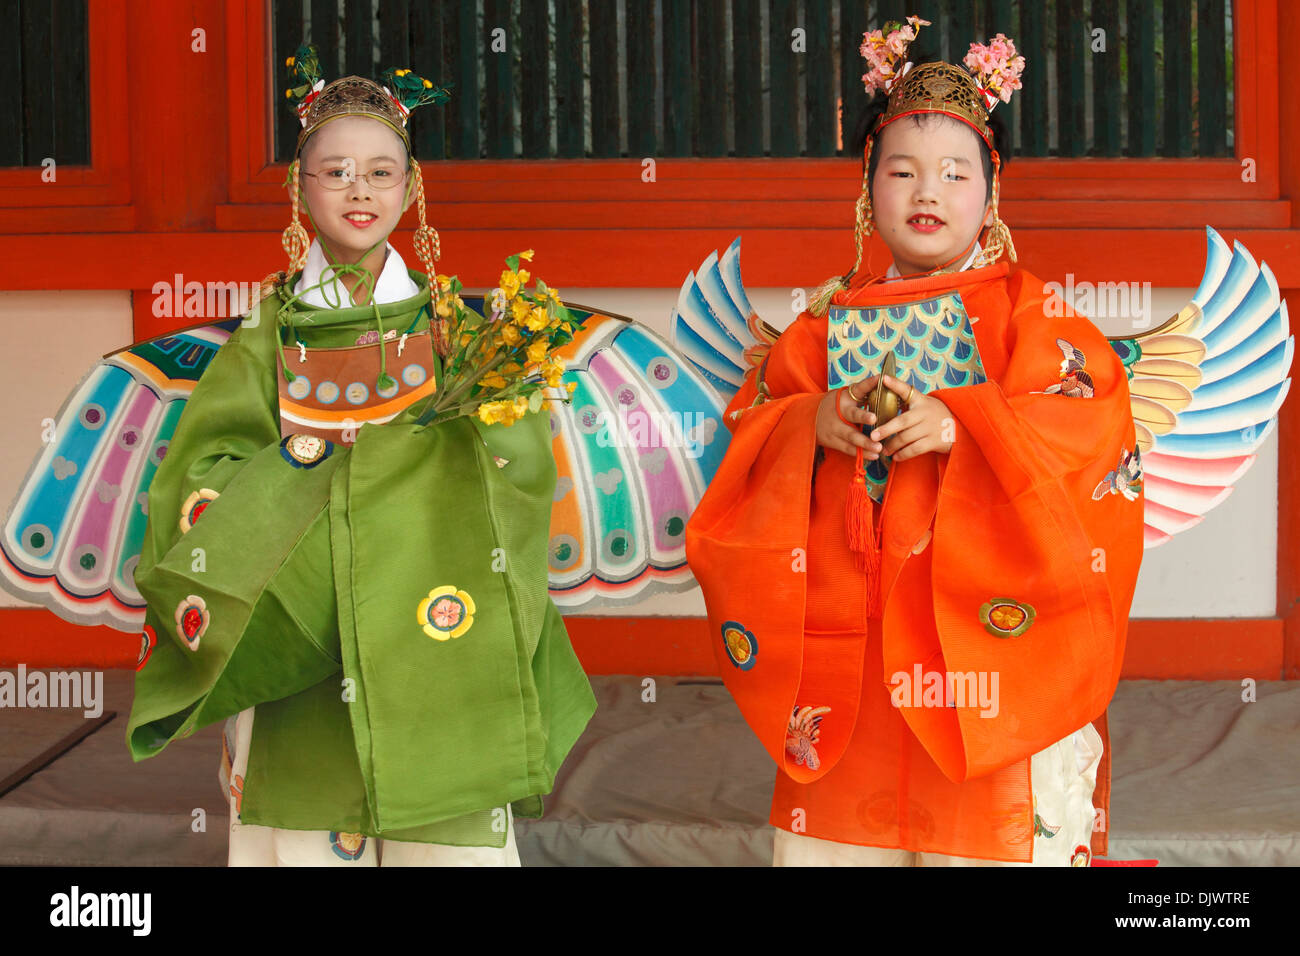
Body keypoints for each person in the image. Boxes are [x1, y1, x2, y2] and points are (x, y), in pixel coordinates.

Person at [685, 20, 1143, 866]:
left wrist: (964, 425)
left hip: (989, 658)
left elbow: (1092, 431)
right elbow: (750, 429)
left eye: (954, 172)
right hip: (848, 661)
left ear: (990, 194)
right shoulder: (822, 327)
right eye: (901, 169)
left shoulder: (1033, 319)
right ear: (867, 189)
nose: (926, 189)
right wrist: (808, 424)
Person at [126, 49, 595, 866]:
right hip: (306, 630)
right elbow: (201, 479)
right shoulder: (267, 335)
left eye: (382, 172)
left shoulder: (458, 331)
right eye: (335, 171)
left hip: (437, 613)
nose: (359, 190)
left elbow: (521, 462)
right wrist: (315, 476)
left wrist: (424, 473)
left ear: (411, 189)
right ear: (299, 190)